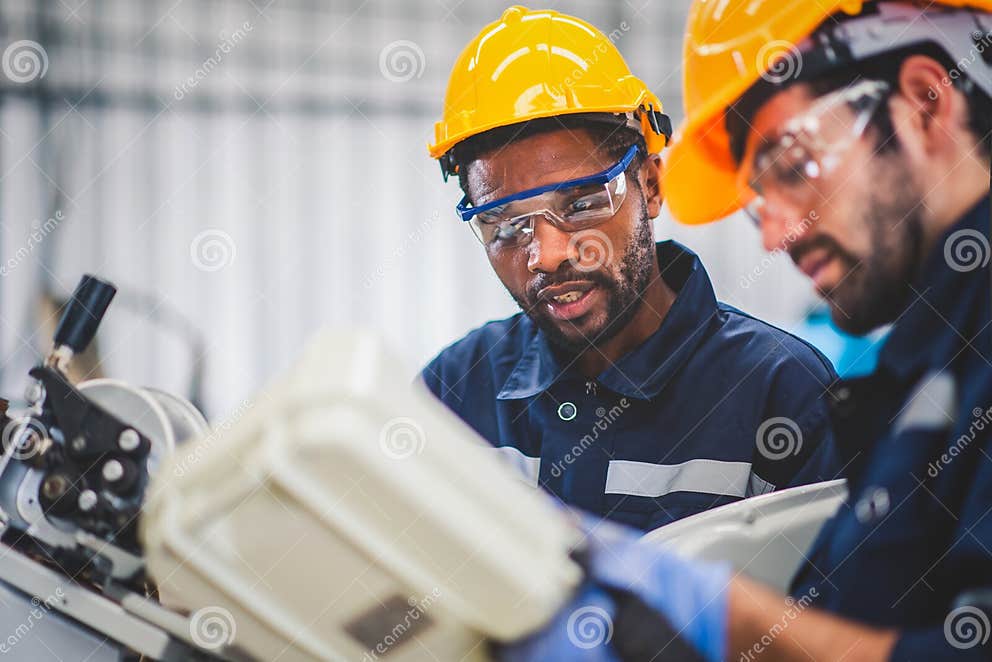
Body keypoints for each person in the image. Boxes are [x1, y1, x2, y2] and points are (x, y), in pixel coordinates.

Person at [498, 1, 992, 660]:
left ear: (926, 104)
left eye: (792, 165)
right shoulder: (933, 366)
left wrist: (728, 621)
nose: (774, 235)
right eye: (759, 198)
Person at [420, 6, 839, 532]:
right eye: (505, 225)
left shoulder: (779, 392)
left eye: (581, 204)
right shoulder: (457, 388)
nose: (547, 255)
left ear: (652, 186)